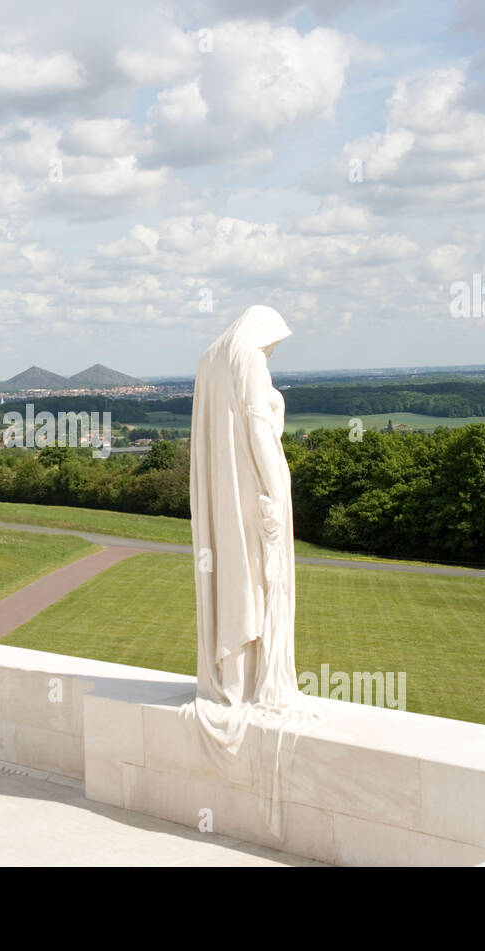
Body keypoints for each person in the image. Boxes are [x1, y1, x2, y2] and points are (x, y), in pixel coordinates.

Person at [186, 304, 303, 766]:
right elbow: (257, 427)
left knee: (233, 576)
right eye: (273, 344)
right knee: (256, 579)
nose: (272, 352)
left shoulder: (209, 360)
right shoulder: (248, 358)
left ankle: (231, 673)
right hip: (255, 492)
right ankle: (251, 678)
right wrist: (275, 492)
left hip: (223, 496)